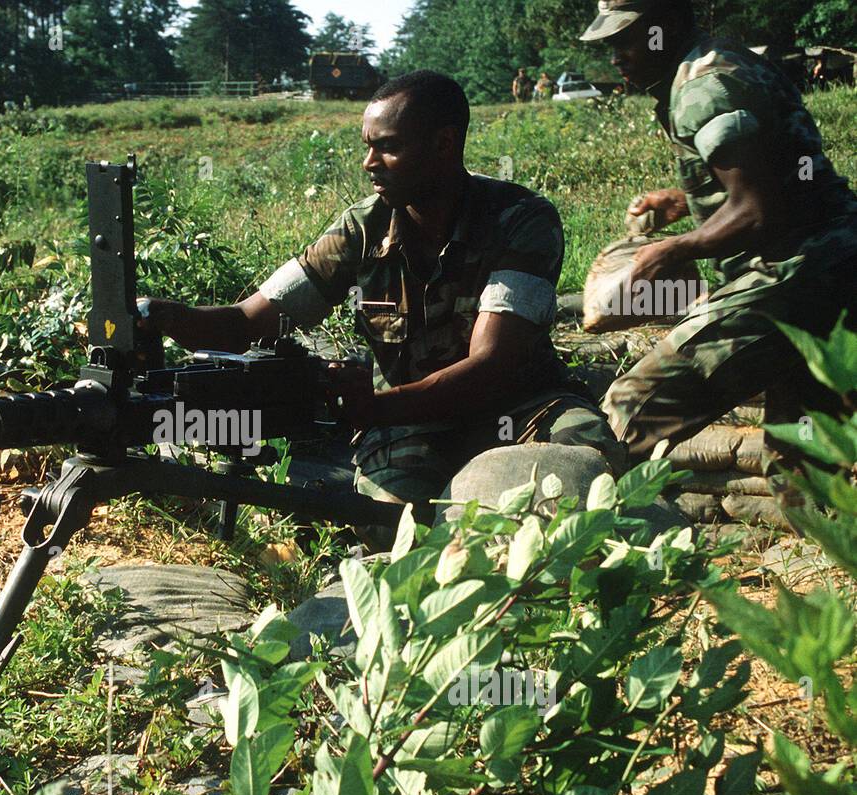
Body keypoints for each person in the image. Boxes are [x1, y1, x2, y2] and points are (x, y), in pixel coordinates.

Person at [138, 70, 624, 545]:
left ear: (443, 145)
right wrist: (167, 318)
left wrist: (372, 406)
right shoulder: (361, 230)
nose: (370, 162)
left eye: (388, 146)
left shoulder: (521, 220)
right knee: (394, 528)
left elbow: (491, 367)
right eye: (367, 146)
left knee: (586, 472)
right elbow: (251, 320)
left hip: (523, 405)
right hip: (408, 422)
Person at [580, 0, 857, 496]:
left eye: (626, 39)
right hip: (833, 266)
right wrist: (689, 200)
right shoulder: (718, 62)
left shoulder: (704, 87)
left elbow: (756, 211)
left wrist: (669, 251)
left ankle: (572, 533)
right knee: (805, 457)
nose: (616, 56)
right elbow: (777, 177)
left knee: (632, 408)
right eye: (609, 44)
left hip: (797, 275)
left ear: (665, 25)